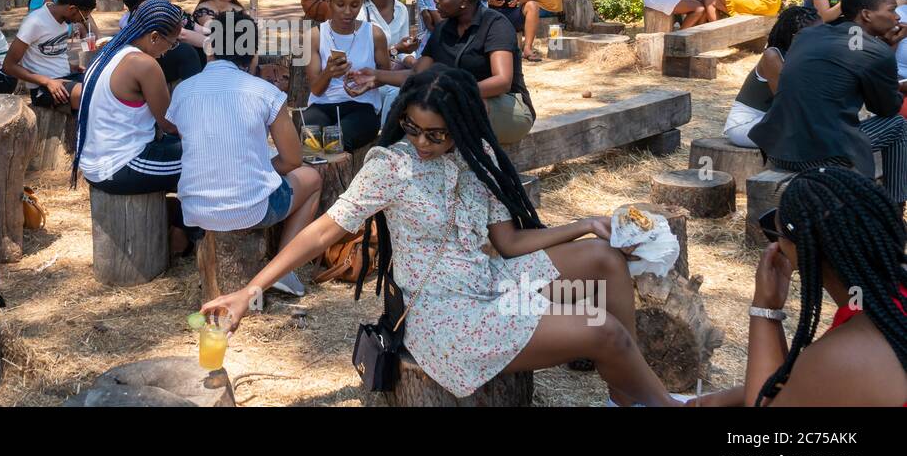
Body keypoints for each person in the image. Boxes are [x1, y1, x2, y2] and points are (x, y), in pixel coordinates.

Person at [201, 66, 697, 407]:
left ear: (461, 124)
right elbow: (322, 230)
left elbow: (508, 244)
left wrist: (586, 225)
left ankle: (626, 394)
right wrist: (251, 289)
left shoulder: (479, 155)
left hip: (489, 278)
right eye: (413, 129)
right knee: (603, 330)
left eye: (436, 134)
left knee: (605, 259)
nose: (422, 143)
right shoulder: (390, 166)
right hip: (444, 314)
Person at [167, 10, 323, 295]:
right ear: (252, 54)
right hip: (252, 209)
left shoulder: (183, 91)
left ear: (210, 50)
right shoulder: (265, 92)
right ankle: (283, 267)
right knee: (312, 178)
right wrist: (255, 168)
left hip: (195, 210)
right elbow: (292, 159)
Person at [744, 168, 907, 406]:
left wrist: (765, 309)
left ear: (799, 252)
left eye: (776, 232)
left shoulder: (841, 358)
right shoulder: (887, 312)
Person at [749, 0, 907, 204]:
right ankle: (894, 207)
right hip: (822, 155)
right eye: (891, 10)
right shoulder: (877, 52)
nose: (897, 17)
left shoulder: (808, 35)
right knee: (899, 125)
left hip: (776, 146)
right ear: (867, 15)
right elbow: (886, 109)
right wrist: (890, 48)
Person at [360, 0, 536, 145]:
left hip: (510, 108)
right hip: (458, 104)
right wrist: (376, 75)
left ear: (463, 1)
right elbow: (417, 75)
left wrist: (453, 91)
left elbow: (502, 81)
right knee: (412, 101)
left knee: (457, 105)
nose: (435, 0)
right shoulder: (444, 29)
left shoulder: (495, 25)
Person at [72, 0, 185, 193]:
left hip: (96, 163)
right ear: (155, 37)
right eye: (172, 44)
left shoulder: (109, 51)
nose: (169, 51)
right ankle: (192, 221)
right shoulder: (144, 64)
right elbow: (170, 124)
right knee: (210, 157)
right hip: (123, 165)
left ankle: (179, 220)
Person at [304, 0, 390, 152]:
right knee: (311, 141)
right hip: (322, 106)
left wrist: (368, 81)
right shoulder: (314, 36)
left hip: (362, 106)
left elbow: (386, 76)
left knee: (337, 142)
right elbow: (316, 90)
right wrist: (328, 73)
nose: (348, 12)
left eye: (355, 5)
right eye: (340, 4)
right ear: (329, 1)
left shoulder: (374, 34)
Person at [722, 6, 822, 148]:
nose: (824, 37)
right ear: (796, 38)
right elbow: (788, 101)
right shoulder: (772, 55)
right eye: (818, 34)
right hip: (746, 125)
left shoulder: (805, 58)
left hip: (772, 121)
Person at [4, 0, 96, 108]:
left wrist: (72, 66)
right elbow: (9, 66)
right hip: (44, 88)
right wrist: (47, 81)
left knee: (103, 85)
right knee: (88, 94)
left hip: (67, 78)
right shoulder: (35, 22)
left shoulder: (63, 21)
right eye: (82, 18)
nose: (80, 22)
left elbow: (49, 54)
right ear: (72, 9)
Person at [359, 0, 421, 121]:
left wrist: (415, 62)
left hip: (393, 73)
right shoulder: (361, 11)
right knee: (397, 89)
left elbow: (403, 51)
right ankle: (385, 137)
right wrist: (396, 49)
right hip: (367, 77)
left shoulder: (401, 10)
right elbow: (360, 54)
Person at [138, 0, 207, 83]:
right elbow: (182, 34)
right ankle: (194, 93)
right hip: (155, 58)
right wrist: (214, 44)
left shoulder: (173, 9)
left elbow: (197, 28)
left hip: (174, 54)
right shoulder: (150, 9)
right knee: (186, 50)